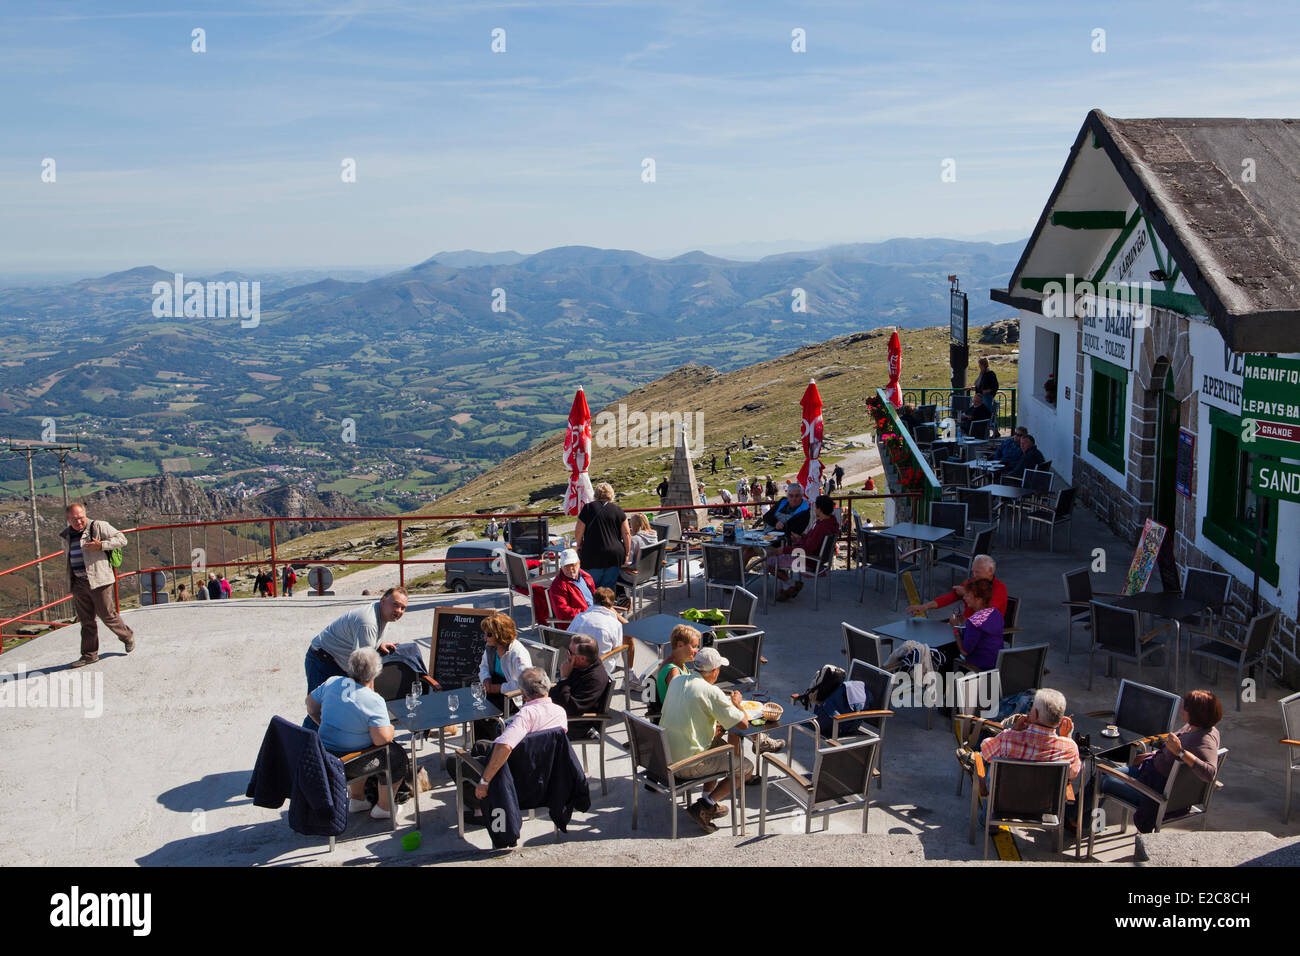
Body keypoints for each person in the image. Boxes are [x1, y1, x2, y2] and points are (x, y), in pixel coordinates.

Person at [305, 647, 412, 820]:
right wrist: (391, 730)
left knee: (362, 744)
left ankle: (357, 799)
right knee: (396, 756)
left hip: (324, 755)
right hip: (347, 763)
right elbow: (381, 739)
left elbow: (310, 706)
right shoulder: (373, 700)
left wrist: (325, 724)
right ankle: (384, 808)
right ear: (376, 672)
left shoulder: (333, 682)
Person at [1095, 689, 1223, 833]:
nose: (1182, 709)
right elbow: (1171, 752)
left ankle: (1076, 820)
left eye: (1185, 707)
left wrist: (1180, 752)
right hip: (1147, 774)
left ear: (1196, 714)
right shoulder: (1195, 728)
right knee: (1105, 775)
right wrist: (1155, 754)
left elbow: (1210, 773)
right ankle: (1076, 819)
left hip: (1152, 794)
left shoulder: (1204, 740)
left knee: (1101, 778)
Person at [660, 646, 756, 833]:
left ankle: (708, 799)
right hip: (686, 764)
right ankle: (706, 804)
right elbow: (743, 724)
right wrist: (737, 705)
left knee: (719, 744)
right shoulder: (712, 692)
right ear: (715, 671)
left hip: (665, 756)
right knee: (745, 768)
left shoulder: (677, 680)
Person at [460, 667, 569, 817]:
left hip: (521, 776)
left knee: (456, 762)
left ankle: (482, 808)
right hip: (548, 771)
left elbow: (505, 747)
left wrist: (484, 781)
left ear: (523, 694)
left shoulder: (526, 716)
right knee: (480, 746)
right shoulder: (560, 712)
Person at [59, 503, 136, 668]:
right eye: (74, 519)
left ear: (85, 514)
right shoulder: (66, 535)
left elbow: (122, 539)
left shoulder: (98, 526)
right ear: (68, 519)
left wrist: (101, 545)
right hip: (78, 582)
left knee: (107, 615)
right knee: (86, 621)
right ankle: (89, 655)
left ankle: (127, 636)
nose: (78, 521)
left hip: (99, 580)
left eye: (81, 517)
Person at [304, 586, 408, 693]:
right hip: (323, 662)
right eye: (395, 604)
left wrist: (378, 643)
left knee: (339, 706)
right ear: (383, 601)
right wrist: (371, 697)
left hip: (338, 662)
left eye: (403, 608)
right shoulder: (369, 624)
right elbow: (364, 669)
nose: (398, 611)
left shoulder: (382, 613)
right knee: (319, 707)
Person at [978, 688, 1080, 780]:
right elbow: (1073, 773)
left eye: (1031, 707)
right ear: (1059, 721)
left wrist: (1014, 731)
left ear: (1035, 714)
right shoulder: (1069, 748)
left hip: (1005, 798)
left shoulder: (1008, 739)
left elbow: (986, 751)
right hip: (1043, 800)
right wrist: (1066, 738)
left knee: (991, 762)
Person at [770, 494, 839, 602]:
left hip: (808, 561)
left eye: (816, 507)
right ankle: (788, 587)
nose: (814, 509)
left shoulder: (821, 527)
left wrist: (784, 550)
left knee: (768, 562)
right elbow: (811, 542)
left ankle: (791, 584)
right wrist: (799, 538)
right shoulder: (830, 523)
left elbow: (807, 549)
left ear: (820, 509)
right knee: (779, 557)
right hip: (814, 559)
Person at [907, 554, 1007, 619]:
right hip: (966, 625)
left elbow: (985, 614)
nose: (974, 575)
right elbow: (949, 598)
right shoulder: (972, 582)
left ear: (990, 571)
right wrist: (925, 606)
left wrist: (966, 594)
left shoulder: (999, 589)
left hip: (982, 632)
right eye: (973, 571)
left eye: (977, 572)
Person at [477, 610, 532, 726]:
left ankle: (492, 741)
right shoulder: (491, 647)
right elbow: (483, 667)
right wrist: (486, 679)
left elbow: (524, 684)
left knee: (483, 713)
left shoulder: (517, 653)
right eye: (485, 633)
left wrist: (498, 688)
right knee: (476, 708)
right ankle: (480, 742)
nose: (485, 637)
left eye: (489, 634)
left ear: (500, 634)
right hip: (493, 689)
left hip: (511, 697)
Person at [575, 481, 631, 591]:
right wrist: (627, 553)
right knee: (608, 589)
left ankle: (593, 607)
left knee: (591, 588)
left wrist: (579, 545)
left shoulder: (587, 508)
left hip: (592, 554)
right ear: (611, 494)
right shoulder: (618, 510)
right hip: (614, 555)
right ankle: (606, 607)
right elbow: (627, 534)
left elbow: (578, 531)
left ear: (596, 494)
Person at [550, 634, 612, 729]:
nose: (567, 654)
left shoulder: (594, 679)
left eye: (570, 652)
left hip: (574, 723)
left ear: (583, 658)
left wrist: (564, 679)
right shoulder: (580, 666)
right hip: (558, 712)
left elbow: (570, 709)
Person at [943, 578, 1004, 672]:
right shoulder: (996, 613)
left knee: (947, 655)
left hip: (980, 667)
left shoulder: (974, 623)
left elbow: (964, 652)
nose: (964, 598)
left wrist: (955, 627)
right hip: (995, 663)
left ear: (979, 599)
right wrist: (966, 623)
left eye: (968, 595)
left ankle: (947, 685)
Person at [567, 587, 630, 675]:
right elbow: (616, 650)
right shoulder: (615, 624)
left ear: (594, 601)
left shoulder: (579, 617)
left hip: (577, 665)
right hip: (602, 667)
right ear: (611, 605)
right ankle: (630, 675)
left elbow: (567, 637)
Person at [649, 624, 701, 719]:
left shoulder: (678, 663)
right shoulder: (674, 671)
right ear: (680, 645)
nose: (696, 651)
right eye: (694, 646)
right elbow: (680, 702)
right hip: (677, 720)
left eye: (697, 647)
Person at [549, 549, 596, 624]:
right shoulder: (558, 585)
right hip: (580, 622)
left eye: (572, 565)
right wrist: (586, 611)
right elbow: (562, 612)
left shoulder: (586, 576)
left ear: (579, 563)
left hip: (595, 613)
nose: (570, 569)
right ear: (561, 567)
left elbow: (594, 596)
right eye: (566, 566)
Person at [974, 358, 1000, 434]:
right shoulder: (982, 373)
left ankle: (989, 432)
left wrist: (987, 391)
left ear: (983, 365)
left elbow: (995, 386)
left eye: (980, 365)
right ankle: (988, 431)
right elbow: (980, 385)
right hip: (982, 397)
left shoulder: (990, 374)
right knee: (984, 414)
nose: (979, 366)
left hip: (987, 397)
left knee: (987, 414)